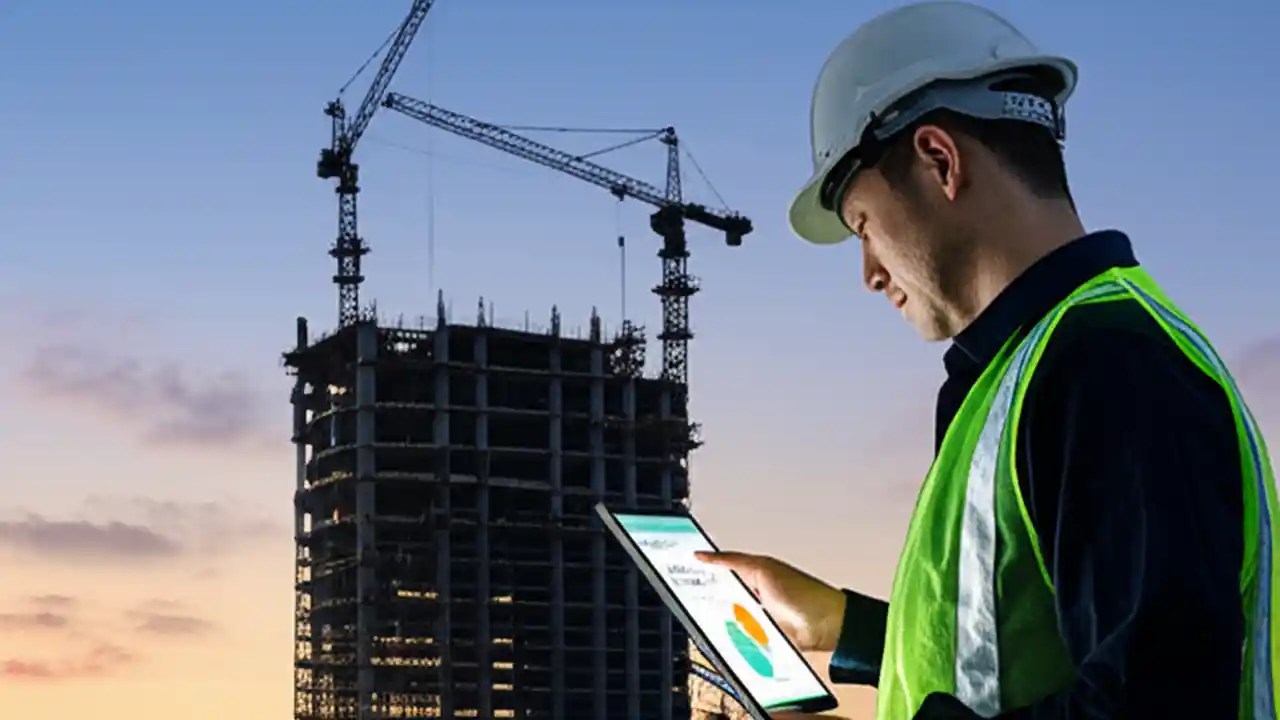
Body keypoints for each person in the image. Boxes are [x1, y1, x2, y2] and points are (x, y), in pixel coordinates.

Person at [696, 2, 1279, 719]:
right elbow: (1033, 651)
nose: (870, 274)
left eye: (865, 227)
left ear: (940, 161)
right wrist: (848, 628)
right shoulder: (1037, 369)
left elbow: (1160, 701)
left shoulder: (1109, 371)